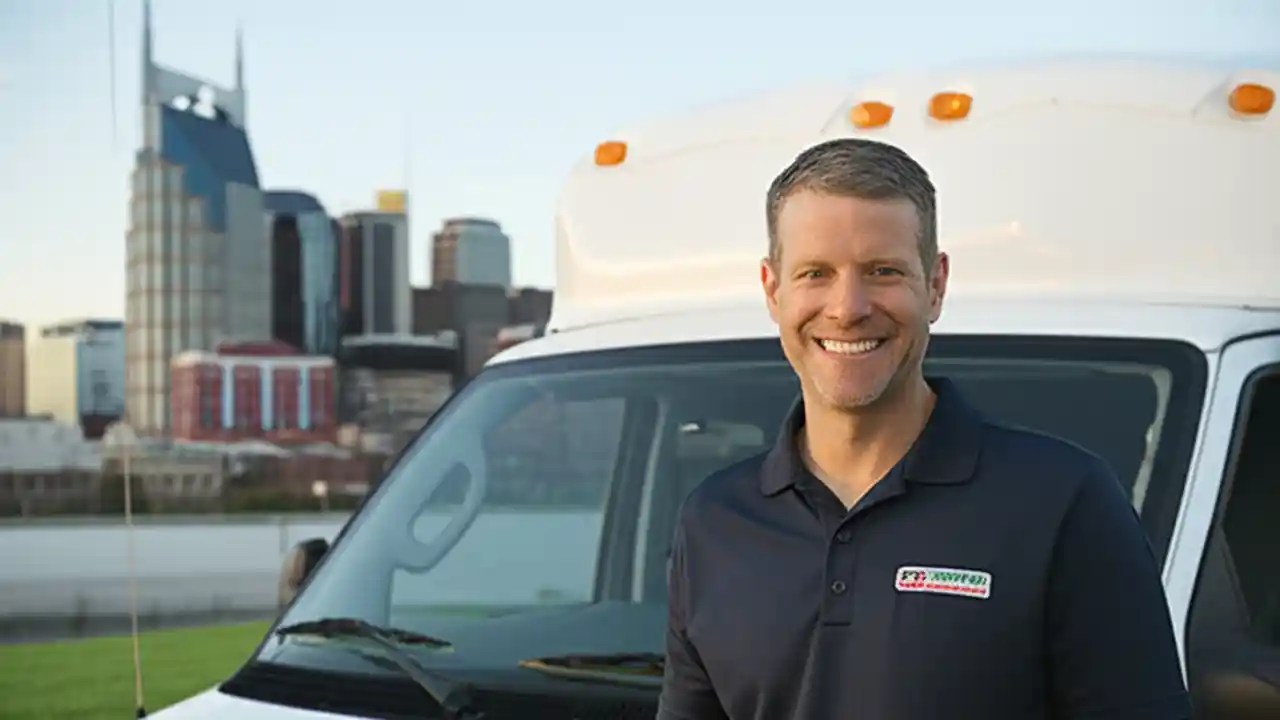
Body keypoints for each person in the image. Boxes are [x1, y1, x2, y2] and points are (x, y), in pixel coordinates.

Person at [656, 138, 1191, 719]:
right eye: (816, 273)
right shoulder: (714, 521)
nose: (848, 307)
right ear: (772, 290)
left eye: (882, 271)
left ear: (935, 285)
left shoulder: (1064, 502)